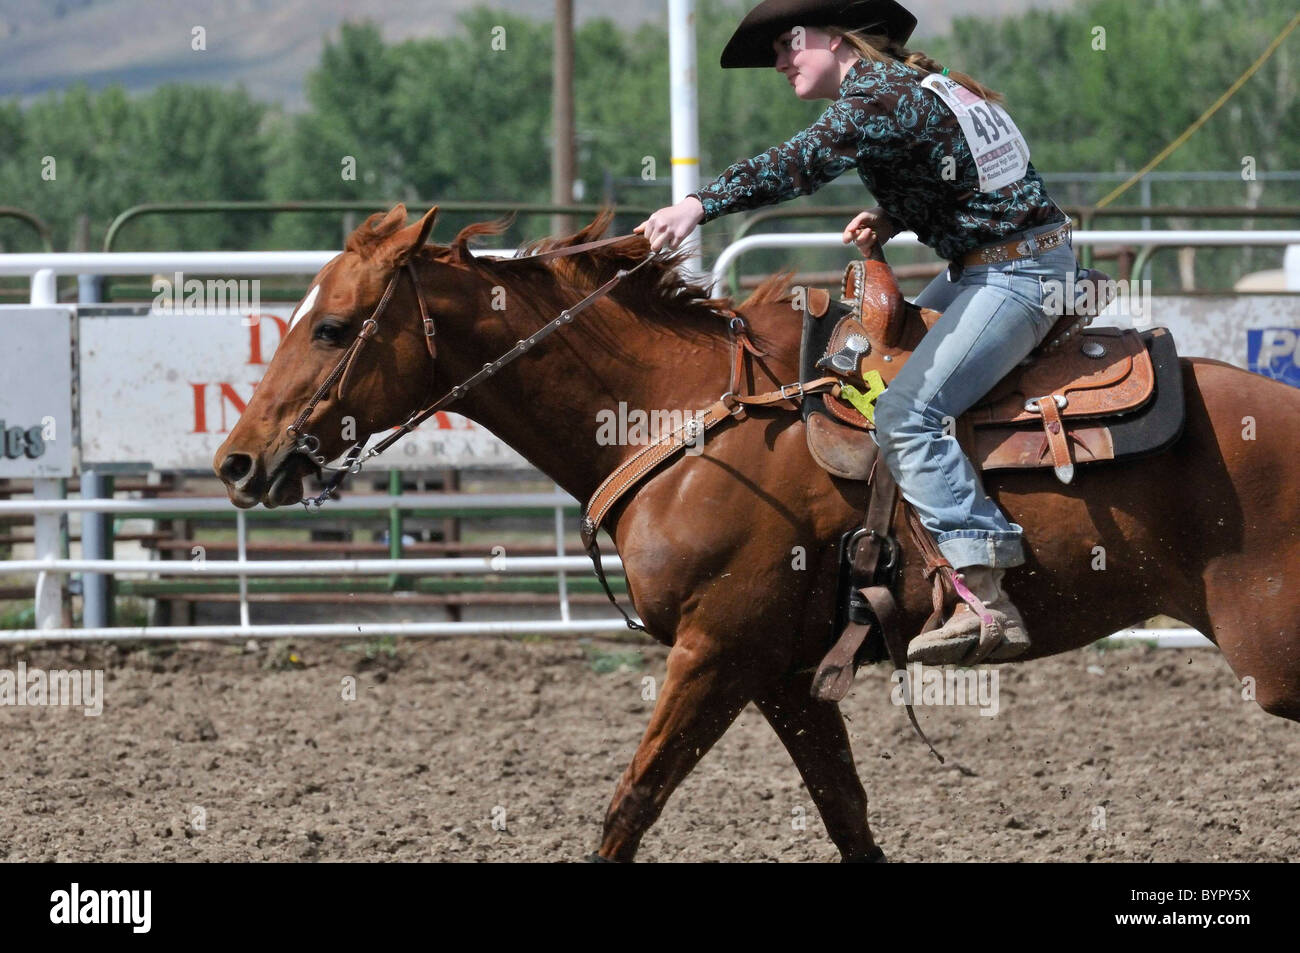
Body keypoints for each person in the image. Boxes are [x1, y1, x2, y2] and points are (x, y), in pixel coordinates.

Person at [634, 0, 1084, 665]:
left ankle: (984, 595)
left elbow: (799, 162)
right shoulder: (922, 84)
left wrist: (698, 204)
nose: (780, 62)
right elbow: (971, 177)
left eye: (788, 43)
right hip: (1001, 264)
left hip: (1015, 274)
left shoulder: (876, 94)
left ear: (837, 38)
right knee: (878, 379)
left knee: (906, 412)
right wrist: (894, 216)